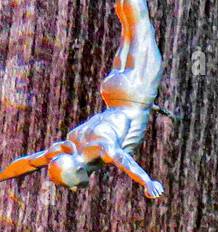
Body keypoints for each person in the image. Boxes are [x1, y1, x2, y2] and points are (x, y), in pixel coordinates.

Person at [0, 0, 165, 198]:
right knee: (128, 26)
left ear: (78, 170)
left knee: (140, 25)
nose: (75, 189)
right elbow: (29, 163)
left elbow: (122, 159)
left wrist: (147, 181)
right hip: (114, 94)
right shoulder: (64, 148)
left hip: (136, 92)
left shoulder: (100, 147)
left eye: (74, 184)